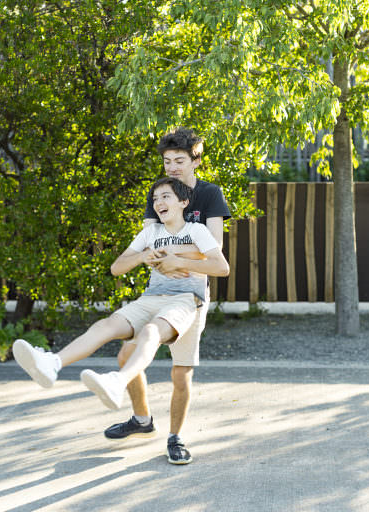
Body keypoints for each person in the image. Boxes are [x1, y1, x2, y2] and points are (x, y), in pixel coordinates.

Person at [12, 177, 230, 452]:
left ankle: (174, 436)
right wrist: (142, 256)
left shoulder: (197, 230)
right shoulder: (150, 234)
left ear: (184, 203)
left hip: (186, 300)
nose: (158, 202)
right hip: (151, 298)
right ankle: (51, 363)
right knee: (110, 324)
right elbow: (117, 268)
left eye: (165, 197)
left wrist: (178, 260)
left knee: (175, 366)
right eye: (155, 199)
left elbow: (222, 267)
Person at [104, 127, 231, 465]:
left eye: (179, 160)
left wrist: (177, 256)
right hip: (157, 288)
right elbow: (149, 240)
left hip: (192, 292)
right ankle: (142, 420)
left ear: (195, 160)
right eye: (167, 161)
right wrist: (170, 256)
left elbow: (214, 249)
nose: (172, 167)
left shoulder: (210, 194)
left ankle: (176, 438)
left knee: (180, 372)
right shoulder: (160, 193)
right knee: (125, 356)